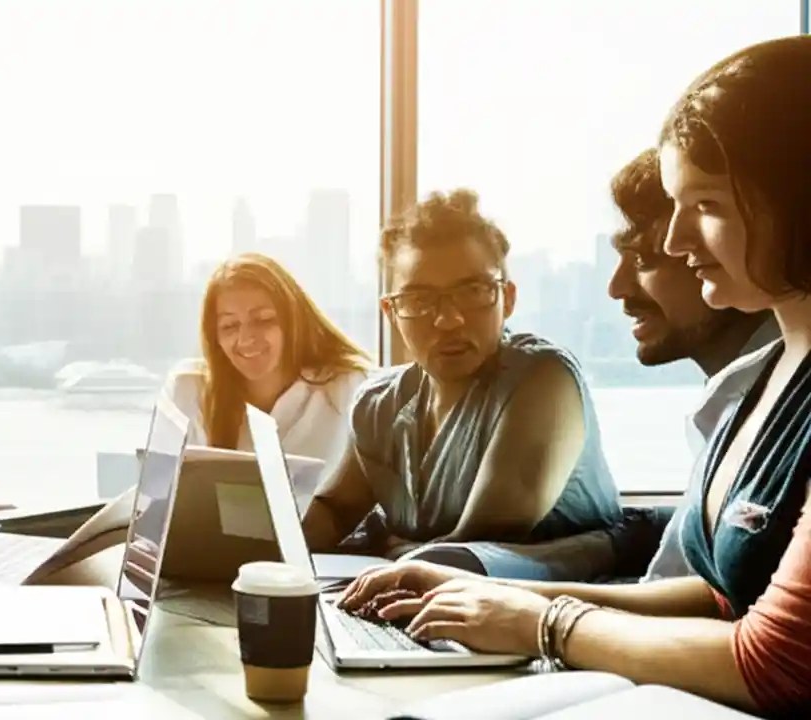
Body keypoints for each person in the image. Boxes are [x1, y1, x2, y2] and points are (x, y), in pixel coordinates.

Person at [341, 36, 811, 716]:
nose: (677, 241)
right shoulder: (767, 376)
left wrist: (546, 625)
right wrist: (501, 596)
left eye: (705, 206)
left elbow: (776, 665)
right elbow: (720, 595)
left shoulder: (541, 378)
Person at [303, 189, 623, 580]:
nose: (448, 320)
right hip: (421, 618)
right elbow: (334, 511)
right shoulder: (380, 404)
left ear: (507, 298)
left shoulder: (542, 378)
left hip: (545, 623)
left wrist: (402, 552)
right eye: (420, 299)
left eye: (472, 292)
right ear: (391, 312)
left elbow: (483, 540)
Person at [606, 148, 778, 580]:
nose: (616, 287)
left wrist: (543, 617)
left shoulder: (778, 402)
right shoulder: (733, 400)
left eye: (644, 260)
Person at [161, 252, 371, 504]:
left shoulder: (349, 387)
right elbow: (159, 499)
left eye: (263, 320)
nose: (246, 339)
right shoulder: (187, 389)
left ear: (293, 320)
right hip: (208, 541)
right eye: (229, 326)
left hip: (321, 542)